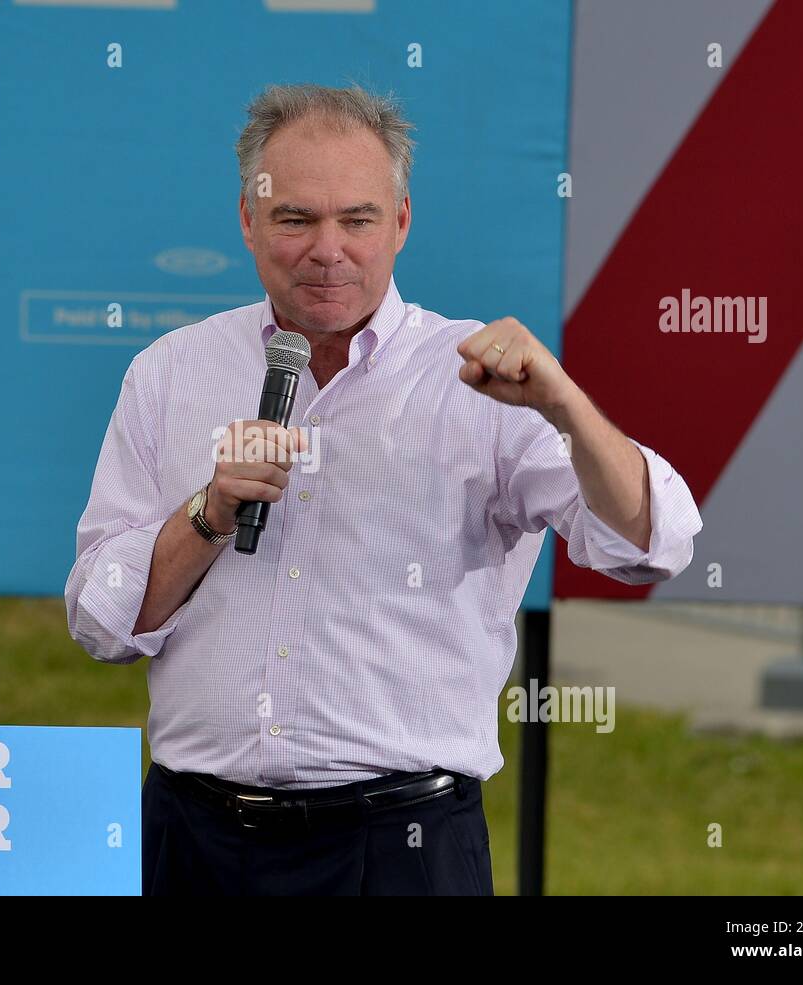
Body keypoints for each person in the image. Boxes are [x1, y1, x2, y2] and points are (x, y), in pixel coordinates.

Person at [65, 83, 702, 895]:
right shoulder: (168, 373)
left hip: (401, 849)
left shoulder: (478, 379)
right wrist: (208, 512)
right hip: (194, 842)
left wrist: (564, 405)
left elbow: (654, 544)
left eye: (357, 219)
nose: (327, 248)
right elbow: (100, 622)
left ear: (400, 223)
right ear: (249, 222)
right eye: (295, 218)